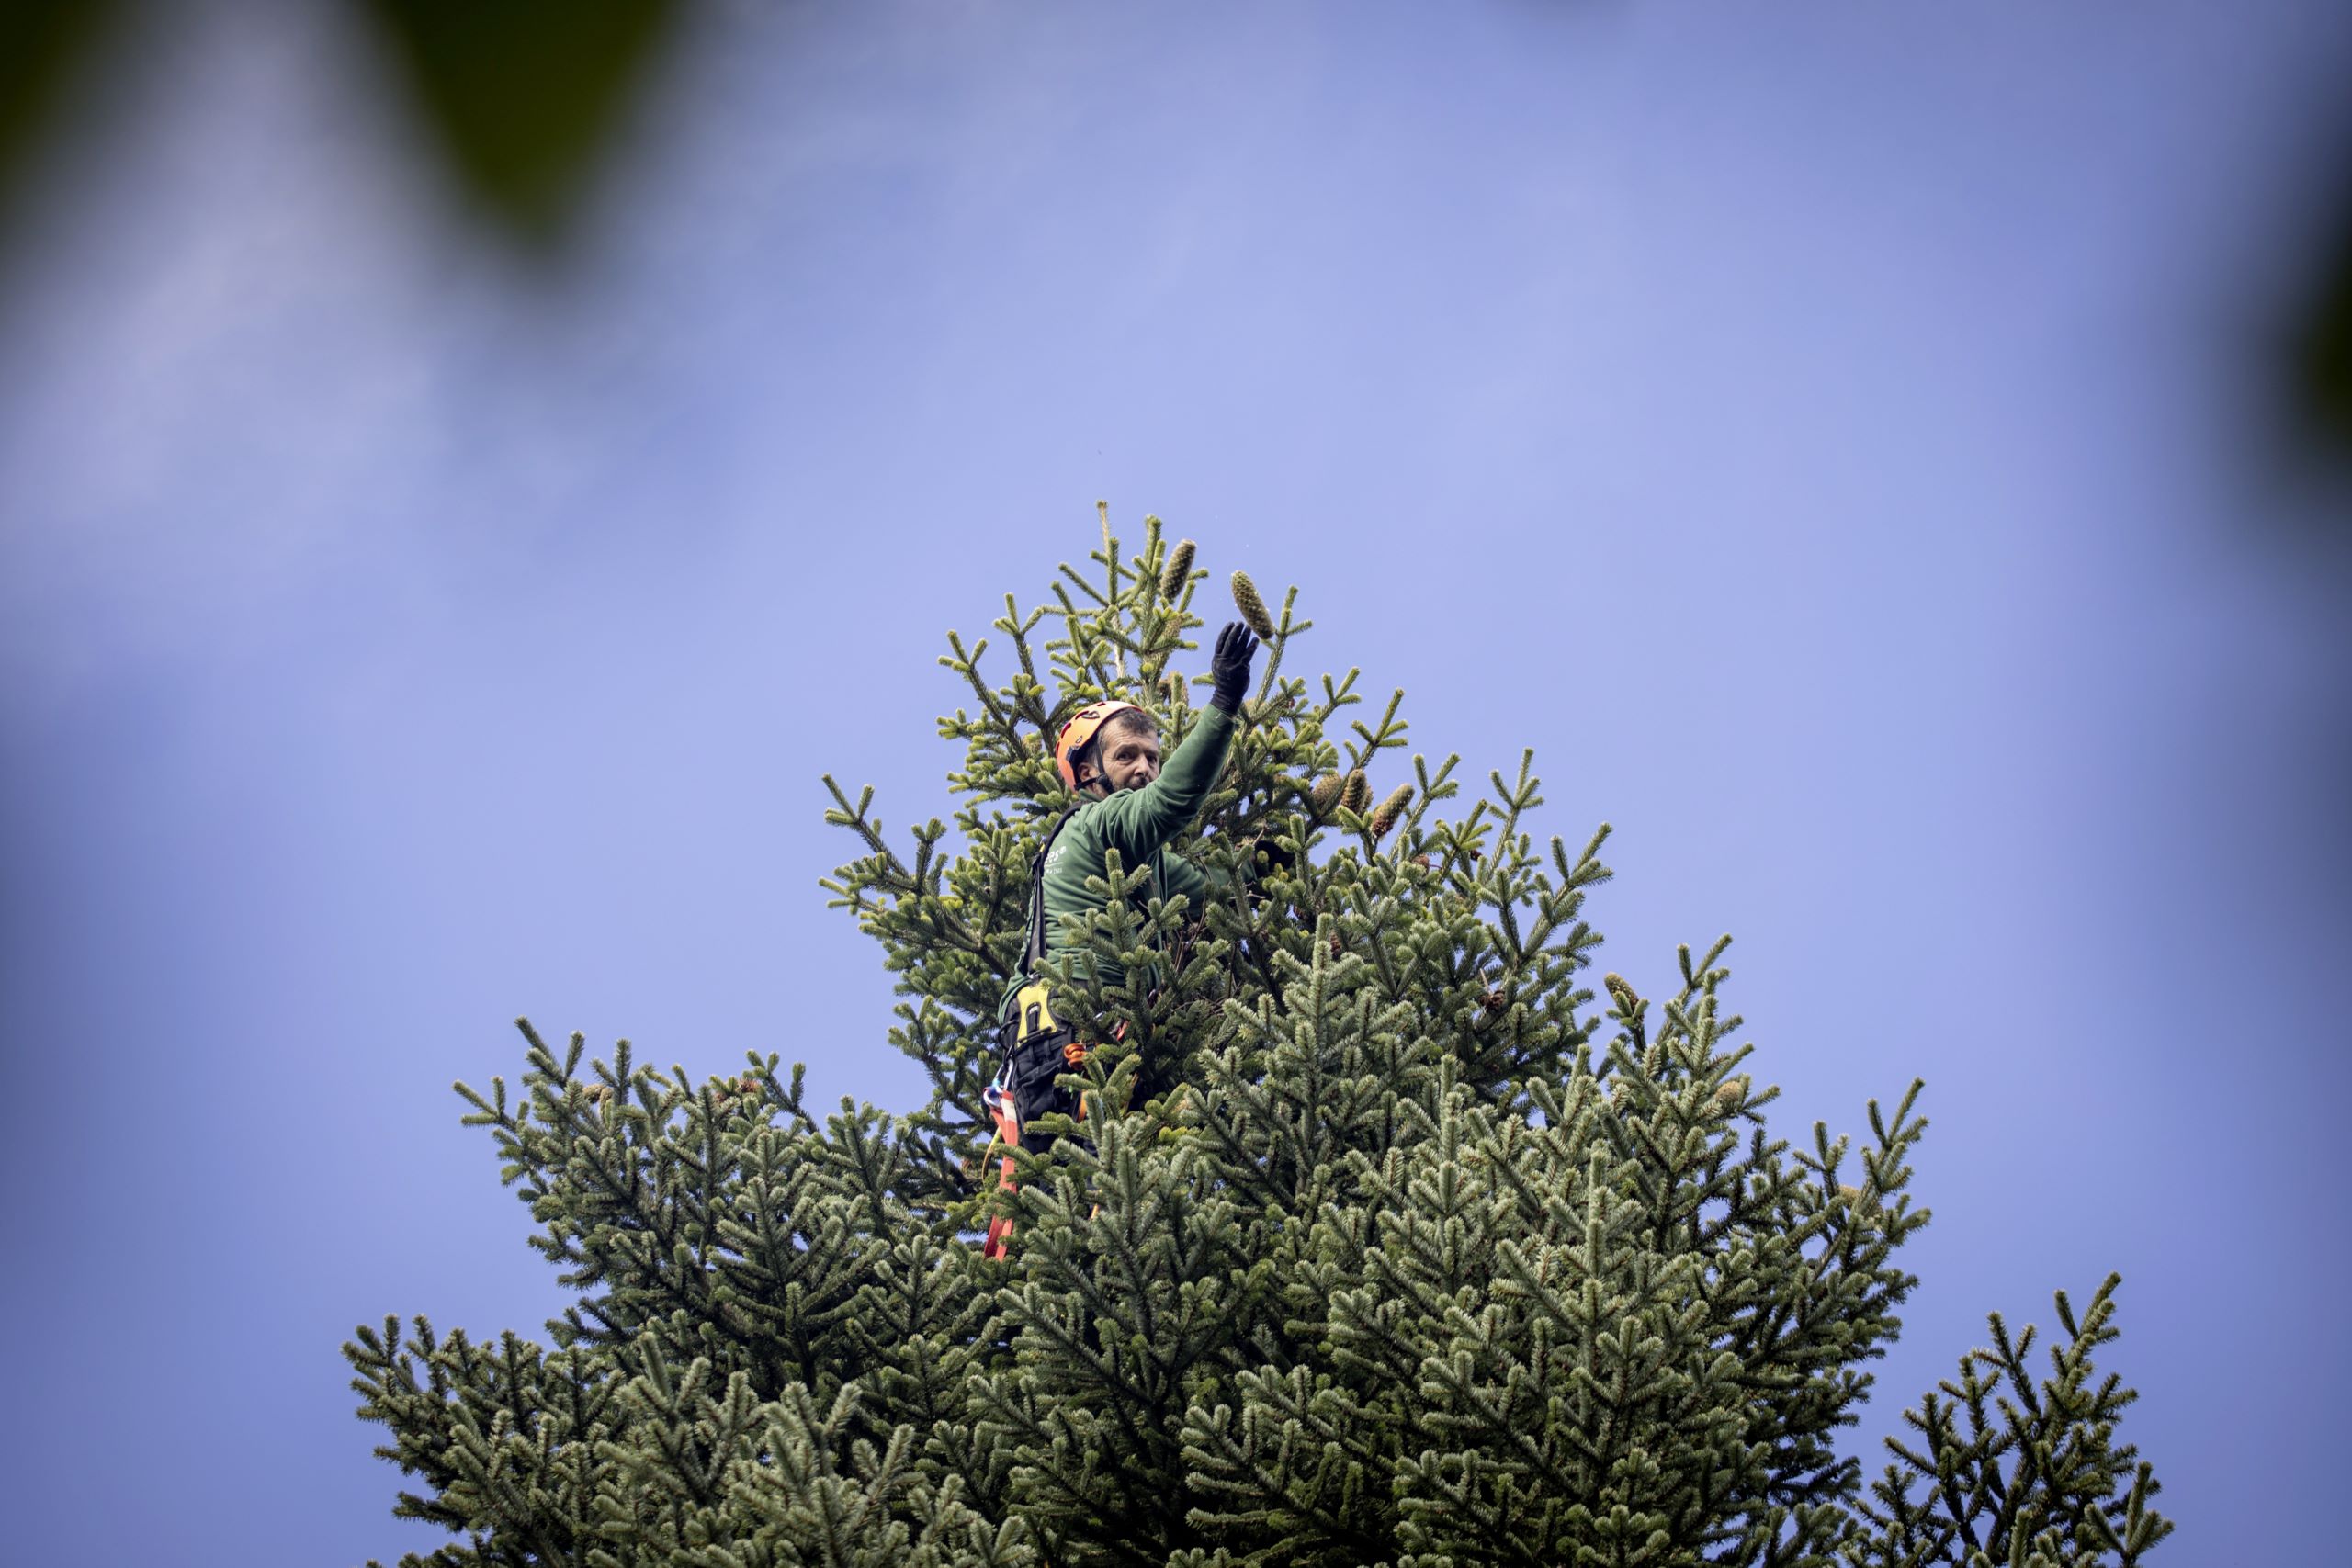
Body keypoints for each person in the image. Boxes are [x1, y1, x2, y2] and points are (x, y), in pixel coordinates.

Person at [980, 622, 1257, 1254]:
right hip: (1069, 1041)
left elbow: (1209, 885)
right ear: (1087, 772)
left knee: (1109, 1230)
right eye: (1128, 755)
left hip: (1101, 1044)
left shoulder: (1144, 864)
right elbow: (1174, 803)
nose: (1145, 768)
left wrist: (1264, 867)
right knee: (1076, 1226)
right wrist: (1223, 705)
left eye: (1153, 756)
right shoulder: (1095, 825)